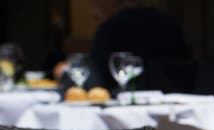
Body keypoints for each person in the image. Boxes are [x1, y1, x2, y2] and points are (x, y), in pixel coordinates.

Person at [56, 0, 190, 89]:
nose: (93, 9)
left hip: (125, 124)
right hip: (173, 115)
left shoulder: (110, 29)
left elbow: (95, 84)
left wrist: (65, 73)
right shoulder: (169, 24)